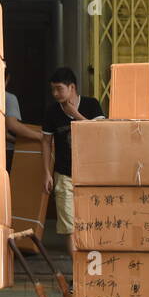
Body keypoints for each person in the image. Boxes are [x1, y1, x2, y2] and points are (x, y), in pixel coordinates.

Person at [41, 68, 104, 236]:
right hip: (63, 175)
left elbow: (100, 133)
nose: (55, 93)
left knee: (92, 221)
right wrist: (47, 173)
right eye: (53, 89)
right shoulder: (51, 111)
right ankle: (75, 262)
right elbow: (46, 142)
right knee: (70, 228)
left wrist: (75, 114)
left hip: (91, 174)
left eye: (59, 88)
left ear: (72, 88)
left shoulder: (91, 105)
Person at [3, 70, 42, 172]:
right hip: (6, 152)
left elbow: (2, 132)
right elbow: (12, 125)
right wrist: (39, 136)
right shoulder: (8, 98)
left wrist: (16, 141)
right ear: (7, 79)